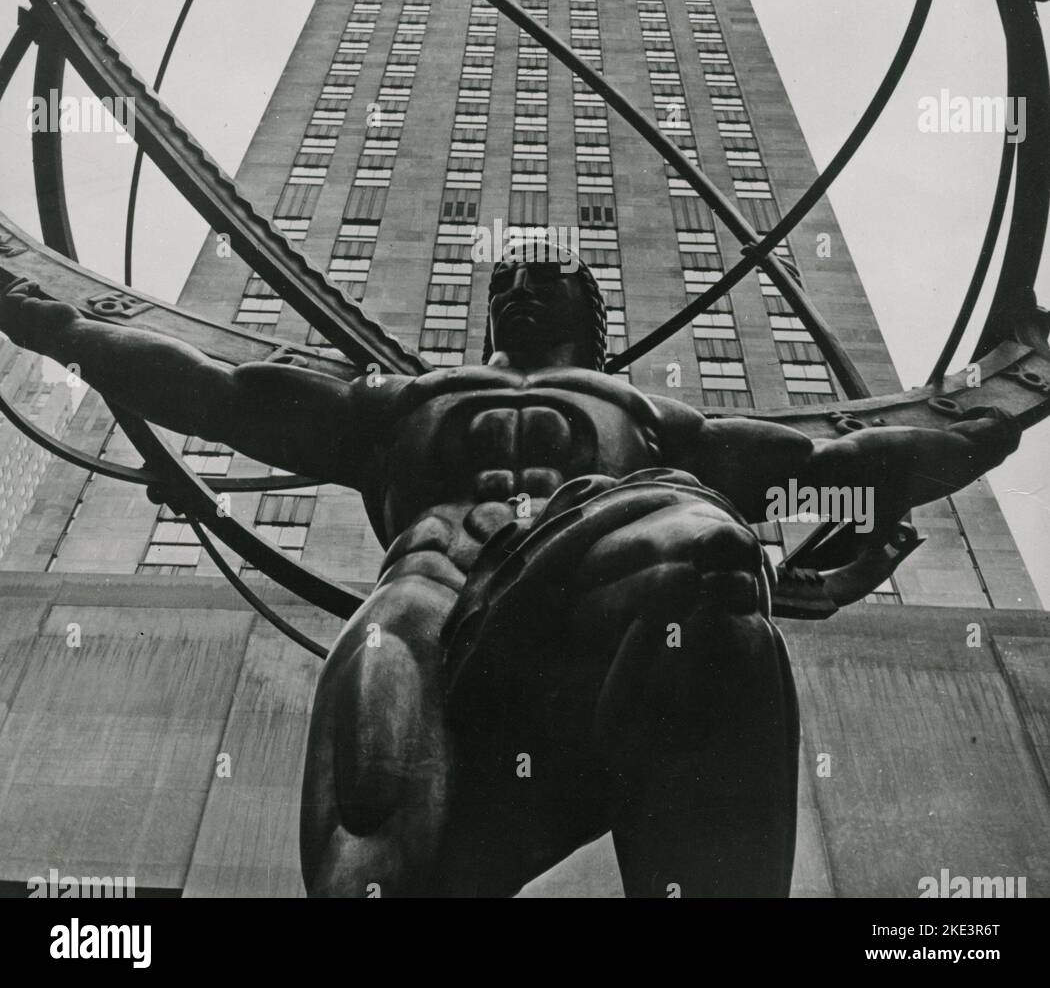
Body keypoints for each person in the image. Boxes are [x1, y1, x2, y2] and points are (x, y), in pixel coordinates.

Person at [0, 252, 1019, 897]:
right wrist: (54, 322)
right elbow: (217, 392)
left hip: (592, 582)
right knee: (372, 802)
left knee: (705, 571)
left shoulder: (656, 418)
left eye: (545, 280)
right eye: (503, 285)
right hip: (430, 597)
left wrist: (990, 421)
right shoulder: (404, 399)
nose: (519, 291)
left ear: (593, 311)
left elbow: (828, 468)